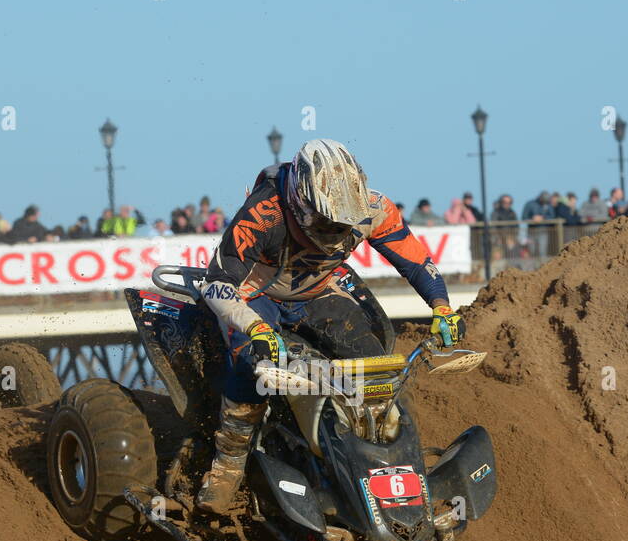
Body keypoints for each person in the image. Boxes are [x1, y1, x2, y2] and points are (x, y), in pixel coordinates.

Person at [195, 138, 466, 513]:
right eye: (325, 222)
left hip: (319, 290)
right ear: (299, 201)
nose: (335, 232)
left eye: (343, 224)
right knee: (250, 365)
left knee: (373, 360)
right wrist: (255, 328)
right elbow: (217, 282)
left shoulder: (373, 207)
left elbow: (413, 257)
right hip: (255, 296)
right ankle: (228, 464)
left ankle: (386, 459)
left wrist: (442, 307)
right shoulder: (263, 213)